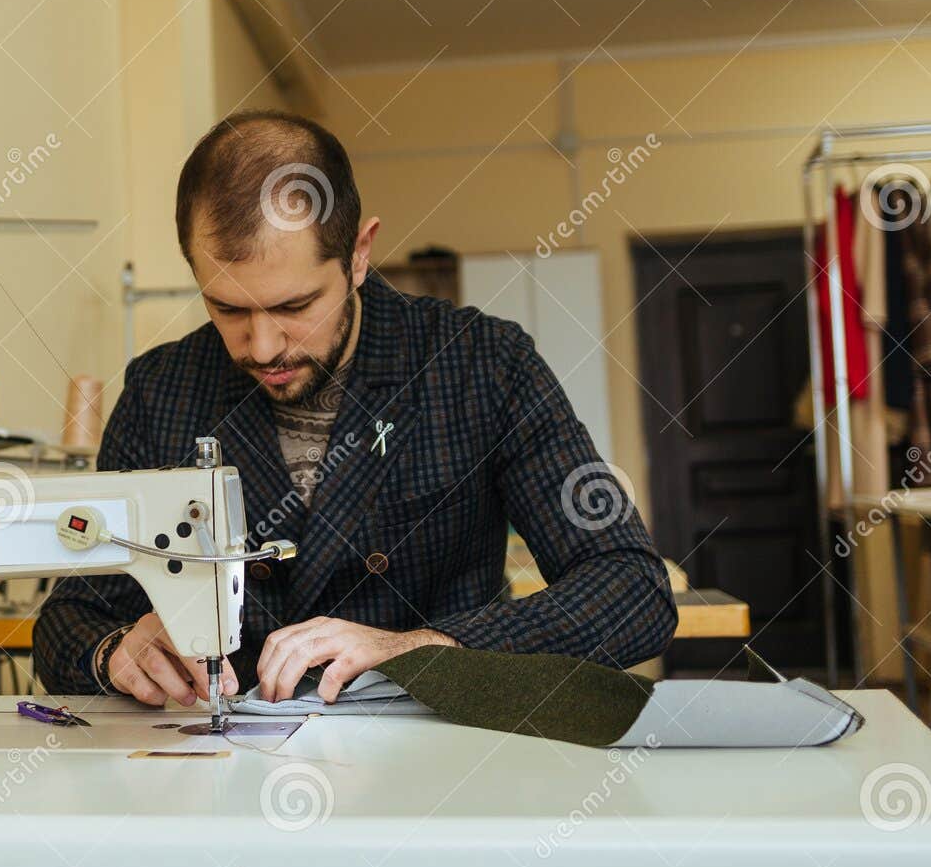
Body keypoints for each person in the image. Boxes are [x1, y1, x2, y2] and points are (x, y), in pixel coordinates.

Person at [33, 109, 676, 707]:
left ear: (360, 254)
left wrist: (421, 649)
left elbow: (631, 591)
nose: (262, 347)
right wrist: (114, 651)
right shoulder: (159, 392)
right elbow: (69, 616)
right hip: (230, 780)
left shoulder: (485, 363)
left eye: (294, 308)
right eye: (228, 308)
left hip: (437, 764)